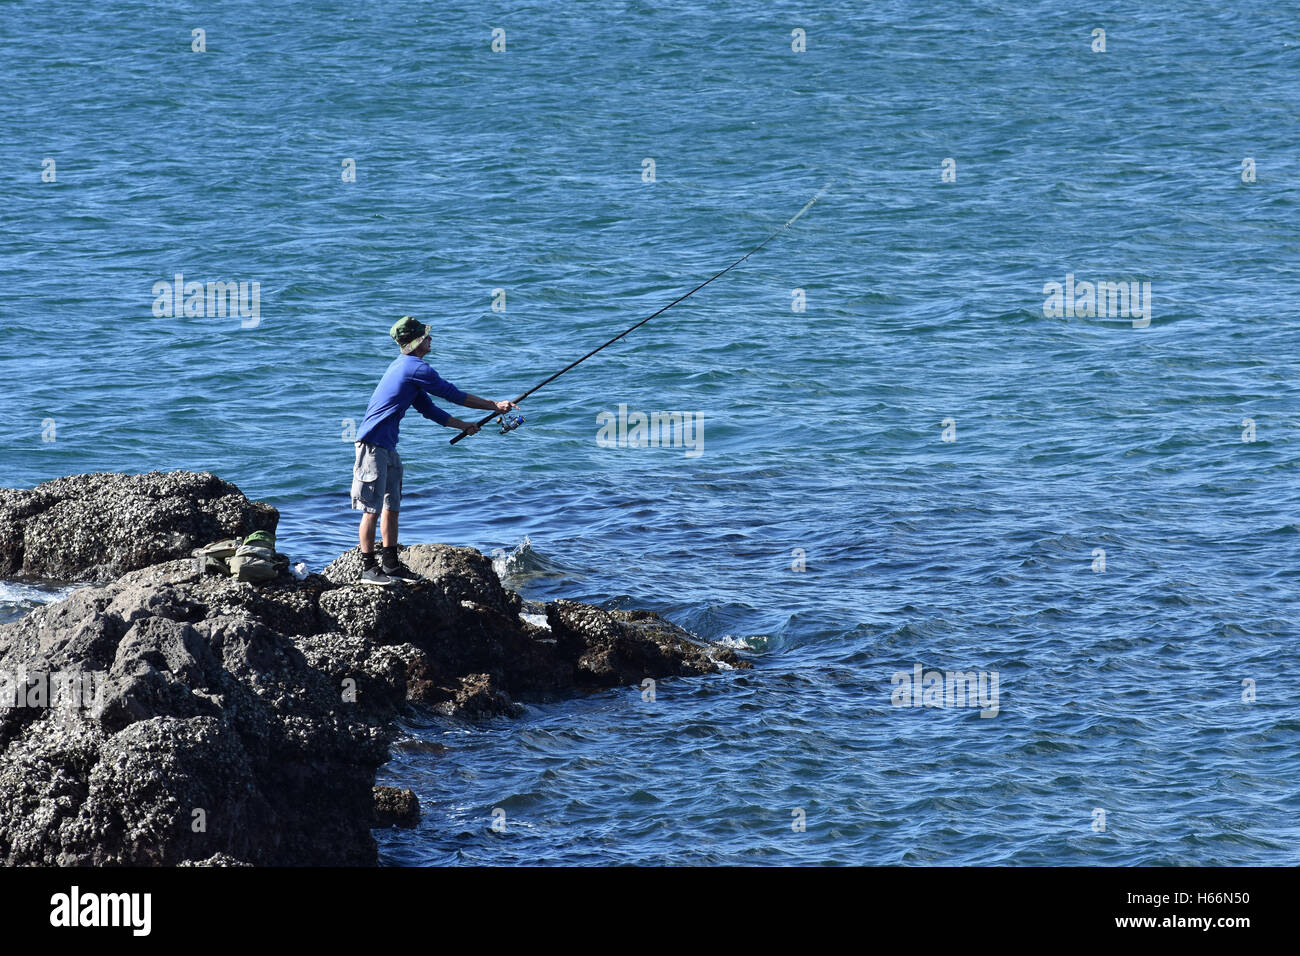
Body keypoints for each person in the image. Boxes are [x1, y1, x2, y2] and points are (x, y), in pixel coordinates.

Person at [351, 315, 515, 585]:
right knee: (371, 509)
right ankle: (368, 568)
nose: (431, 339)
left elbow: (430, 410)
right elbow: (454, 395)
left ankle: (391, 564)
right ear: (417, 341)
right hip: (371, 445)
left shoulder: (406, 368)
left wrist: (463, 426)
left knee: (392, 506)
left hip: (388, 445)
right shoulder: (415, 368)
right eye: (427, 336)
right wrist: (494, 405)